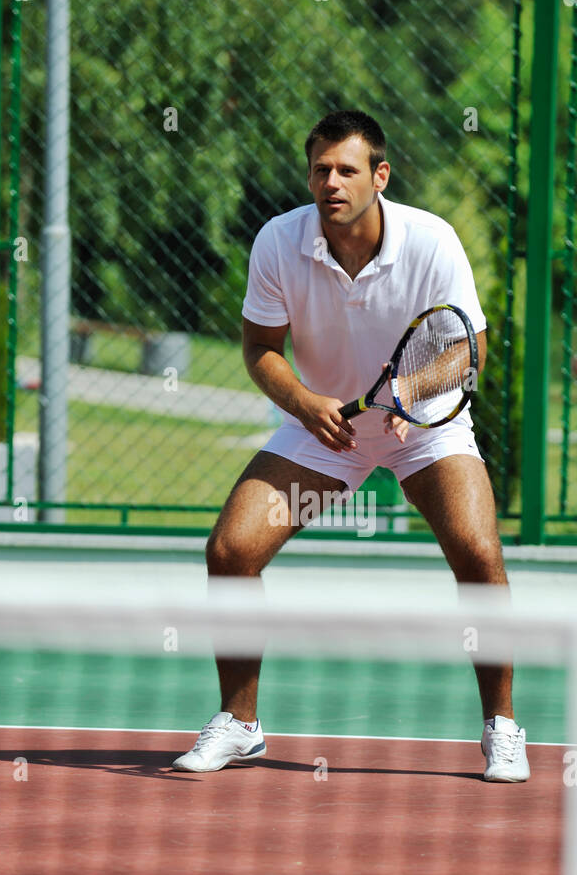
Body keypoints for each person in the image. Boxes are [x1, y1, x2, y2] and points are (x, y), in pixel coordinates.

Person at [173, 110, 529, 782]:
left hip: (423, 429)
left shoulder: (431, 241)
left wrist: (410, 393)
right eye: (320, 170)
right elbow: (258, 350)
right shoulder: (279, 242)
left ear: (380, 176)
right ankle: (241, 724)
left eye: (347, 169)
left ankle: (502, 727)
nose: (331, 182)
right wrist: (306, 404)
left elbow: (471, 349)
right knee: (231, 550)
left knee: (479, 553)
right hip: (326, 430)